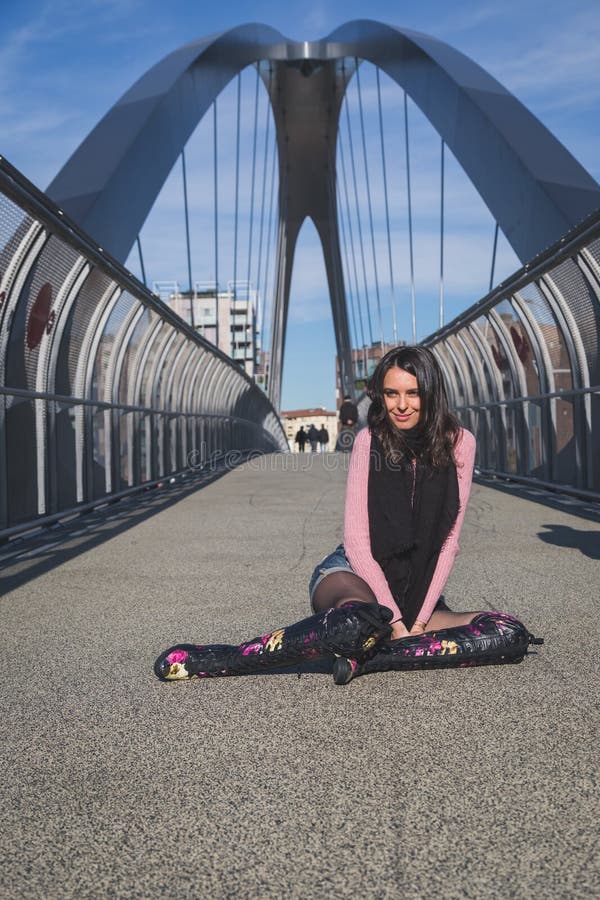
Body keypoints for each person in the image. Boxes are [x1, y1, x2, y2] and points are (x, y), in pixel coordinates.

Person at [155, 346, 540, 682]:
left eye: (412, 393)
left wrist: (417, 623)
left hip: (415, 584)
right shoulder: (369, 440)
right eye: (391, 394)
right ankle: (223, 660)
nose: (401, 405)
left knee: (508, 632)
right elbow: (357, 542)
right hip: (354, 571)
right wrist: (396, 623)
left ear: (431, 394)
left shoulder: (460, 443)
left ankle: (367, 657)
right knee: (356, 623)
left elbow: (448, 541)